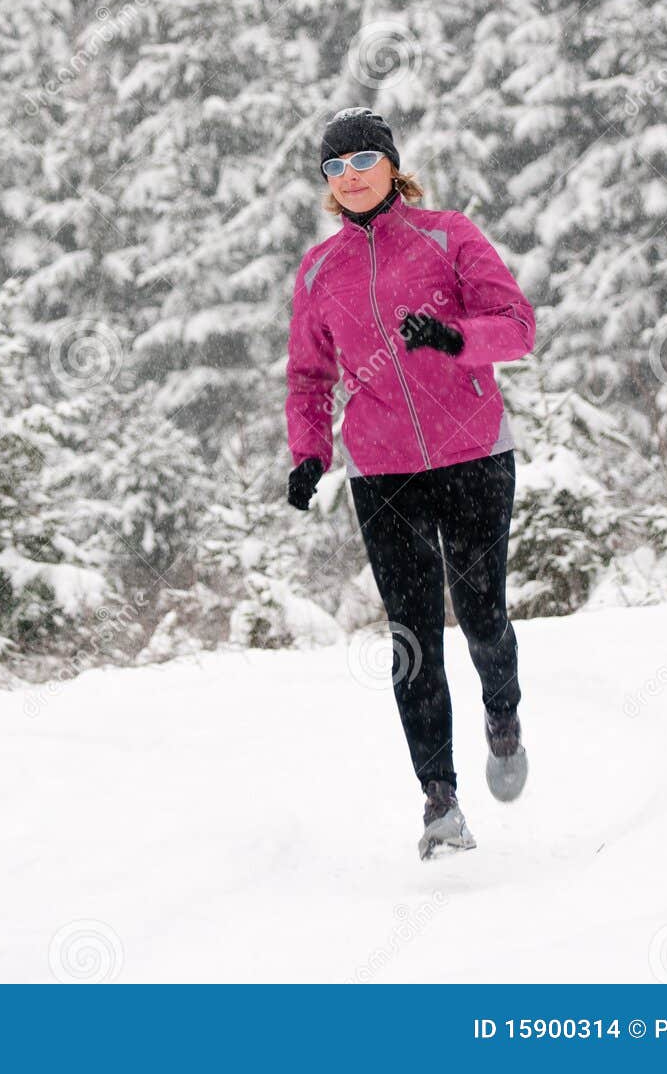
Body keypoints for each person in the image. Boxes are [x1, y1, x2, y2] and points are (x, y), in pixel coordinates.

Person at [285, 106, 536, 861]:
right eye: (335, 168)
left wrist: (457, 338)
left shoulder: (448, 234)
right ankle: (439, 802)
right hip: (383, 470)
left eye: (363, 160)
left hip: (472, 454)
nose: (351, 177)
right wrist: (308, 455)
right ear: (326, 185)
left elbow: (516, 324)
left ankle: (502, 713)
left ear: (391, 165)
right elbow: (308, 376)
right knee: (411, 640)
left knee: (483, 614)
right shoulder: (318, 271)